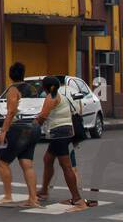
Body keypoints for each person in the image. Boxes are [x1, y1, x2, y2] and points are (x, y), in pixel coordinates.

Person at [35, 76, 90, 210]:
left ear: (46, 87)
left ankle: (77, 199)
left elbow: (43, 116)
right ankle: (43, 191)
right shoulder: (60, 95)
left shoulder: (51, 97)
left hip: (59, 134)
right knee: (48, 159)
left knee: (66, 166)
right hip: (63, 132)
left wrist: (29, 128)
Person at [0, 62, 42, 208]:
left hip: (18, 128)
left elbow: (11, 111)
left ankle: (8, 196)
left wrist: (3, 131)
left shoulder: (13, 90)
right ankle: (33, 198)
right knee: (27, 164)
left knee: (2, 161)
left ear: (10, 75)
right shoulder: (33, 89)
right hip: (34, 127)